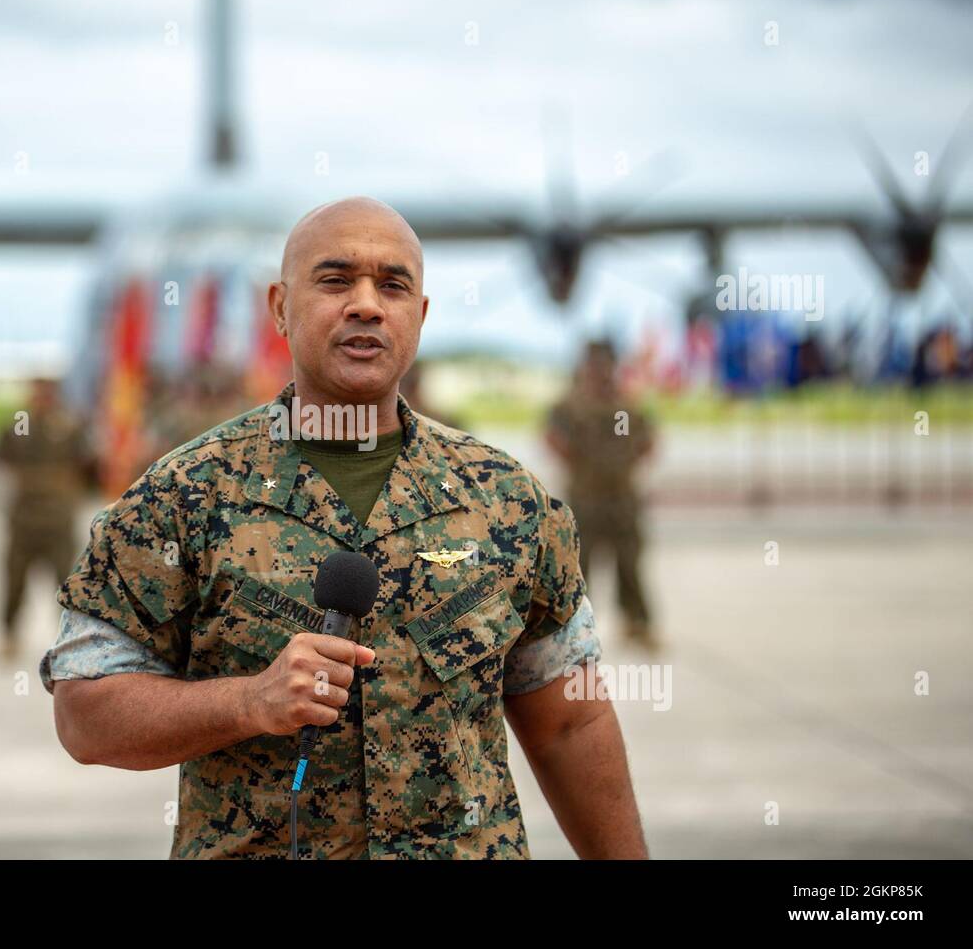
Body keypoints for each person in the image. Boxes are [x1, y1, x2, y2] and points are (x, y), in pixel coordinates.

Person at [43, 198, 647, 859]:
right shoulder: (180, 498)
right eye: (335, 281)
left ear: (419, 316)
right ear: (279, 307)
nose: (366, 304)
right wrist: (250, 703)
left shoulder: (510, 502)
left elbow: (571, 722)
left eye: (393, 285)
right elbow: (85, 715)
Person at [546, 341, 659, 650]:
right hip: (584, 499)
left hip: (622, 499)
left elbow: (649, 442)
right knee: (579, 567)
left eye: (605, 364)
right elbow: (553, 439)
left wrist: (621, 468)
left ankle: (637, 622)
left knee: (630, 562)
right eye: (594, 364)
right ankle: (576, 629)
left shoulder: (628, 406)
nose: (600, 371)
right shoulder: (570, 406)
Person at [0, 378, 94, 661]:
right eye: (38, 391)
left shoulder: (71, 426)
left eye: (47, 392)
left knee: (66, 583)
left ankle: (69, 640)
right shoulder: (17, 425)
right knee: (14, 579)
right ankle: (8, 634)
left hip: (58, 517)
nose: (42, 398)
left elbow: (88, 463)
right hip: (24, 517)